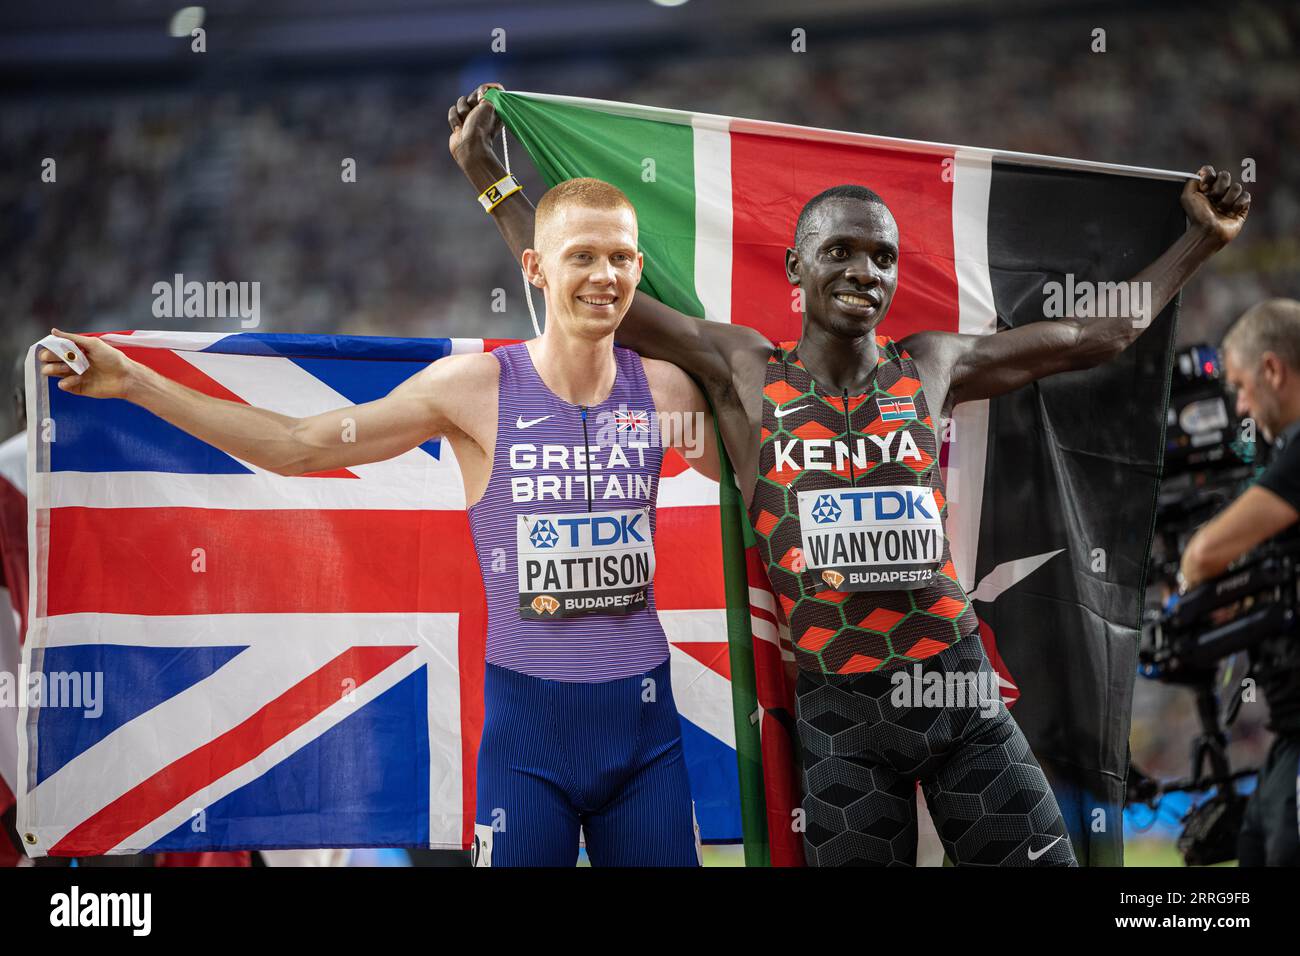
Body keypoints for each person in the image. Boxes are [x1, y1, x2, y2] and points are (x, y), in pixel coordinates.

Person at [449, 82, 1251, 865]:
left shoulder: (932, 363)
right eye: (840, 251)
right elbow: (603, 294)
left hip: (959, 696)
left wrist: (1198, 242)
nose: (864, 270)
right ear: (796, 270)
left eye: (882, 257)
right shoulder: (744, 373)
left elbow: (1093, 337)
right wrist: (494, 181)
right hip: (840, 720)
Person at [39, 177, 718, 867]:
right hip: (528, 743)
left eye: (621, 257)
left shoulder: (665, 392)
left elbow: (756, 478)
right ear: (535, 267)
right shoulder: (475, 389)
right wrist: (135, 383)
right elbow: (297, 445)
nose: (604, 275)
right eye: (582, 256)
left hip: (645, 735)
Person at [1180, 298, 1300, 867]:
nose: (1242, 406)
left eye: (1243, 386)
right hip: (1289, 735)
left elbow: (1207, 552)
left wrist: (1193, 573)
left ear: (1274, 369)